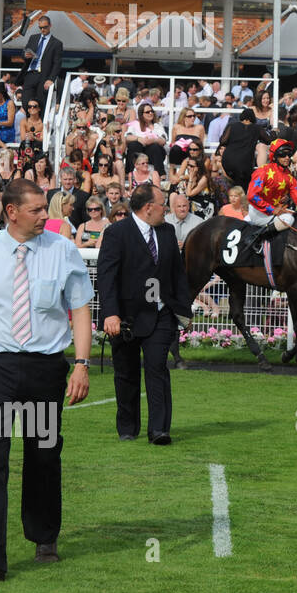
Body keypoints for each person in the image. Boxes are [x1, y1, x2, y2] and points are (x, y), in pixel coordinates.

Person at [0, 179, 93, 584]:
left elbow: (81, 310)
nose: (44, 217)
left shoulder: (63, 251)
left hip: (45, 369)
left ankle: (43, 536)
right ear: (11, 211)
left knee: (43, 457)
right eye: (35, 210)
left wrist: (81, 364)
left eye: (44, 209)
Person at [96, 184, 191, 445]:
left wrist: (183, 310)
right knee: (126, 373)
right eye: (163, 205)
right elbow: (106, 278)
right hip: (126, 318)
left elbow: (176, 274)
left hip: (161, 314)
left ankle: (159, 430)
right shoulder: (116, 233)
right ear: (149, 208)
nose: (167, 210)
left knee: (157, 368)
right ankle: (127, 427)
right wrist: (110, 314)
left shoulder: (168, 231)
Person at [242, 139, 297, 256]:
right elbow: (252, 196)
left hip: (273, 212)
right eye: (283, 154)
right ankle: (256, 238)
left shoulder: (289, 176)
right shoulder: (263, 171)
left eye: (289, 154)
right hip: (258, 211)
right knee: (289, 219)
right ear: (274, 156)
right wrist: (272, 209)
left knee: (295, 215)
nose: (287, 157)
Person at [18, 16, 63, 113]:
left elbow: (57, 63)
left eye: (45, 27)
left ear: (50, 26)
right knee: (25, 102)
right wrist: (26, 55)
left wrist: (51, 79)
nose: (43, 30)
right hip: (30, 74)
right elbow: (23, 53)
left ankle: (39, 125)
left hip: (43, 76)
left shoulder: (56, 43)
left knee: (41, 103)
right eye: (40, 28)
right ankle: (30, 123)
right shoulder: (33, 38)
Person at [219, 107, 266, 190]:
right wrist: (274, 132)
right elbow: (268, 139)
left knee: (234, 185)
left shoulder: (232, 126)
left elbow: (223, 141)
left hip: (228, 161)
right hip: (244, 164)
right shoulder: (257, 128)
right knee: (243, 188)